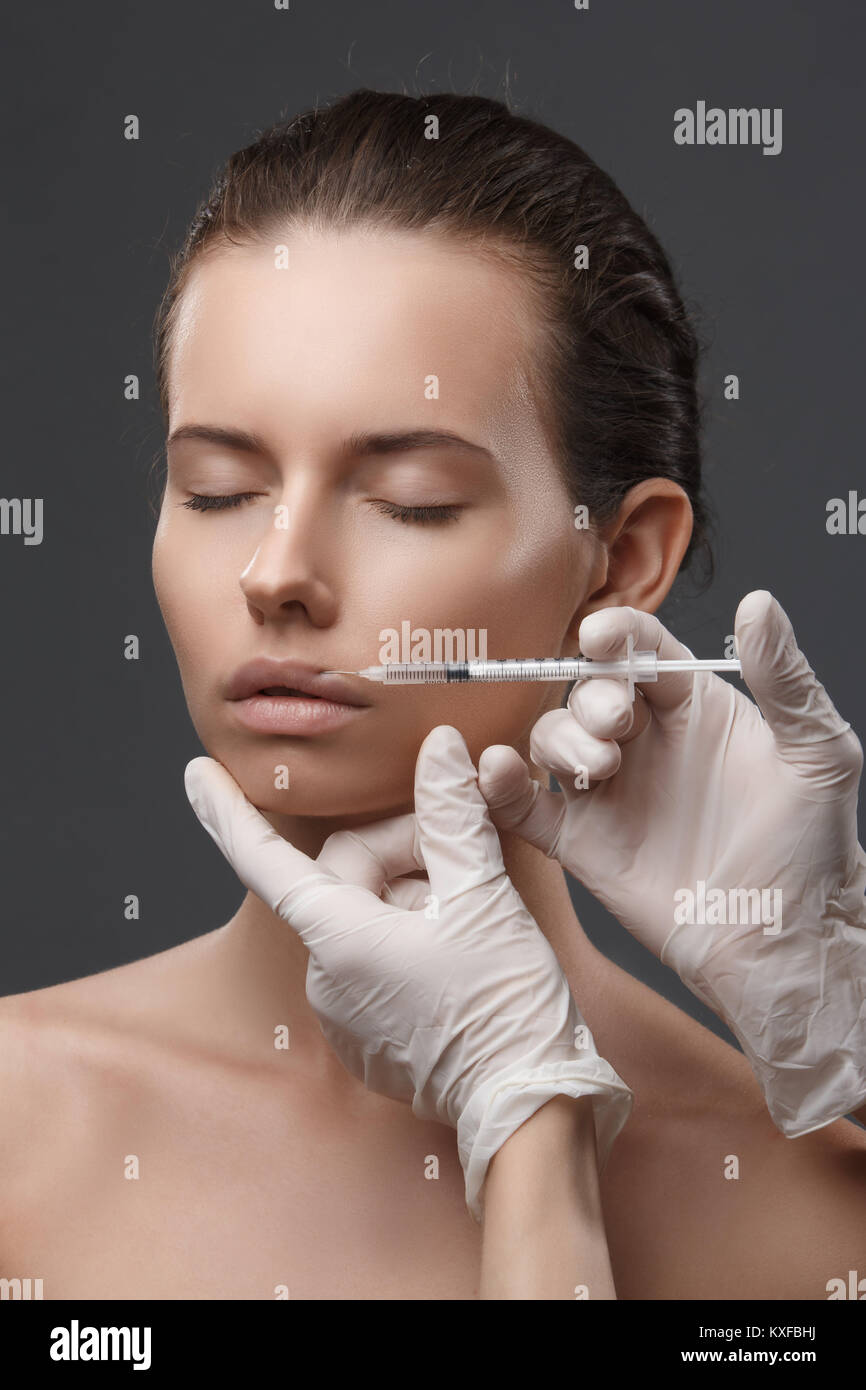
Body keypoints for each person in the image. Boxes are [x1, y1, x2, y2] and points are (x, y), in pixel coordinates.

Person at [1, 89, 864, 1300]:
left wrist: (846, 1041)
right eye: (215, 488)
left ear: (619, 561)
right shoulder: (17, 1136)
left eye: (409, 500)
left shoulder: (816, 1224)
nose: (276, 573)